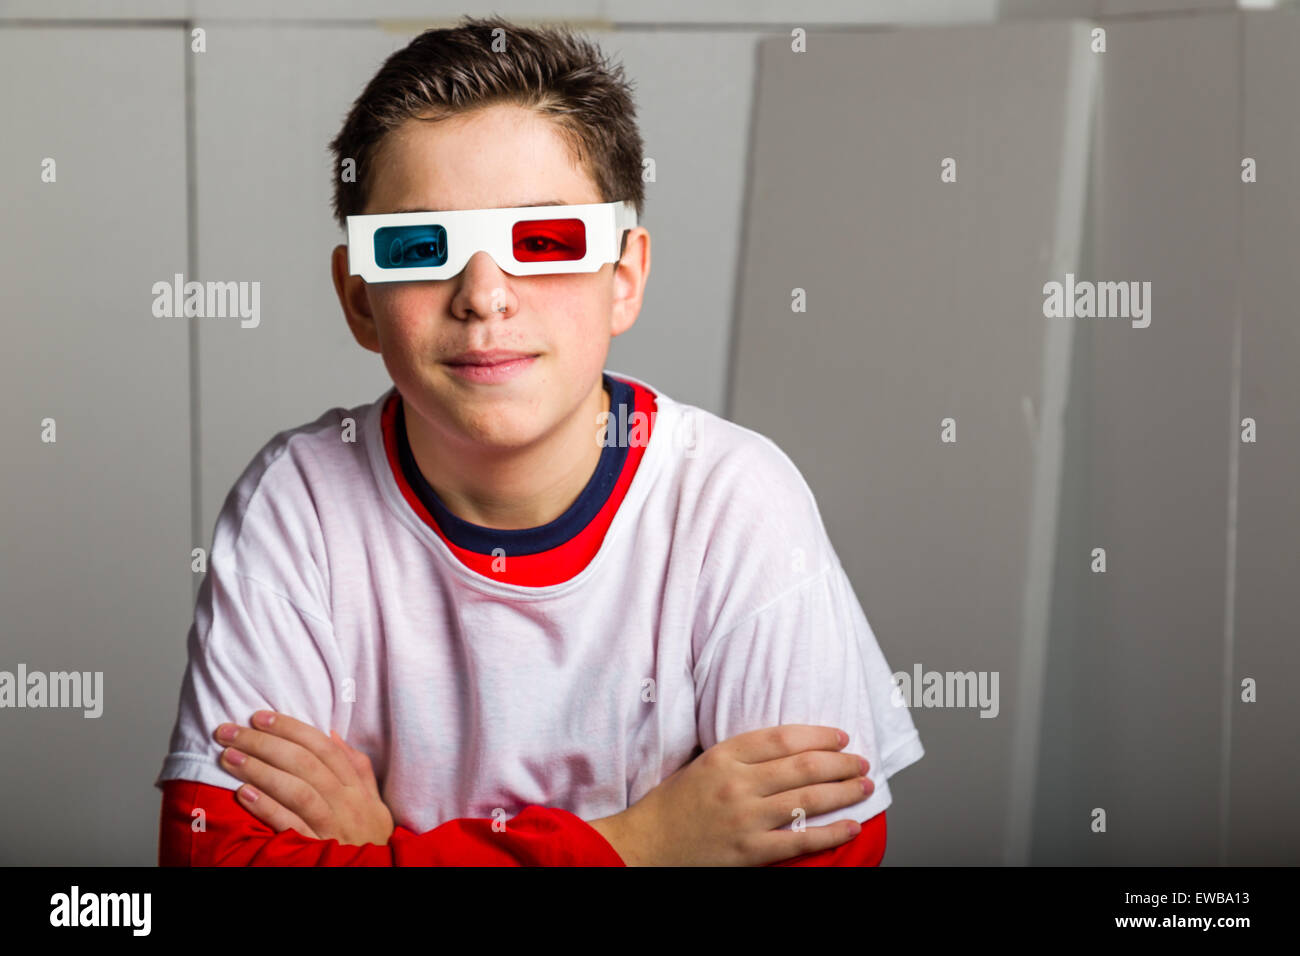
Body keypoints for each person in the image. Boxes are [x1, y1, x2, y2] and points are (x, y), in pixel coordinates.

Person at [155, 14, 923, 866]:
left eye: (545, 241)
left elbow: (823, 854)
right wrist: (639, 845)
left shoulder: (737, 503)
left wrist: (389, 851)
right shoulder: (296, 505)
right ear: (358, 298)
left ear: (624, 278)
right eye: (419, 245)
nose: (485, 295)